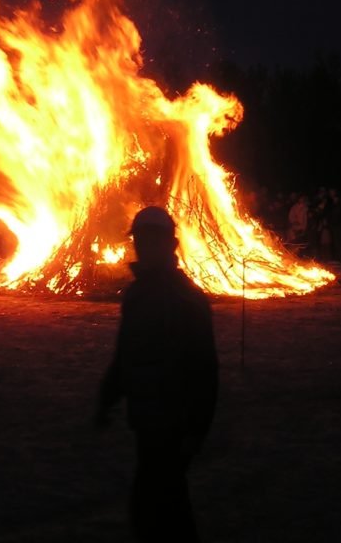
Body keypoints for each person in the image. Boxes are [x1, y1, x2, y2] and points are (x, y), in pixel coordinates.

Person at [97, 206, 219, 542]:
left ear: (171, 245)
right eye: (140, 240)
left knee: (159, 504)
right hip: (146, 417)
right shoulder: (137, 294)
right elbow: (126, 354)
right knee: (161, 502)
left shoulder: (187, 299)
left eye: (152, 240)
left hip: (173, 420)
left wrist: (197, 429)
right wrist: (108, 396)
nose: (144, 247)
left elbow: (205, 370)